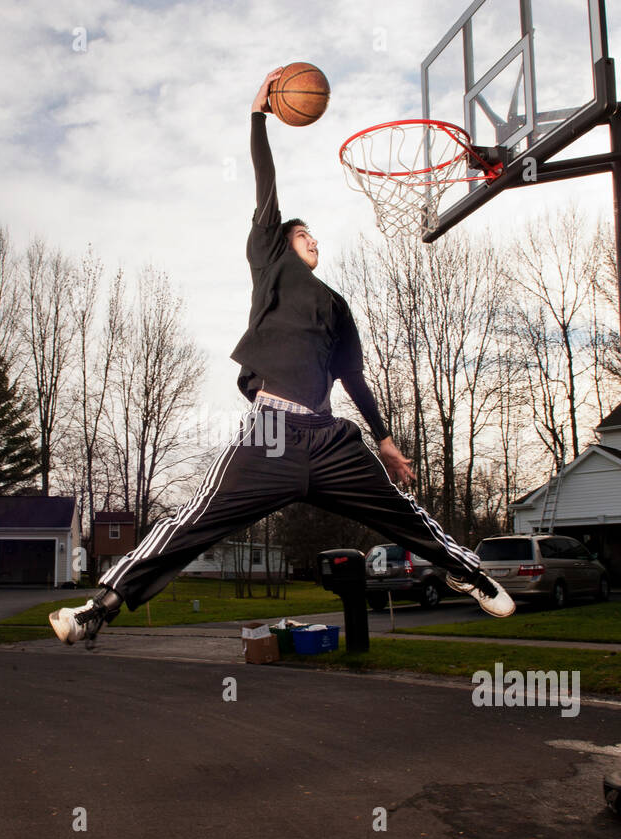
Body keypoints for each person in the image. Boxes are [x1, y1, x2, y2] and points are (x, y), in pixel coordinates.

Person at [51, 68, 513, 646]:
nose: (312, 239)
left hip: (329, 438)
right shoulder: (272, 261)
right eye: (303, 233)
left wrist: (387, 439)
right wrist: (257, 116)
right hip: (271, 432)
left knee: (401, 511)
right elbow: (265, 183)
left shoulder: (337, 307)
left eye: (315, 235)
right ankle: (98, 608)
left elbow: (354, 378)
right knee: (195, 522)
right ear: (281, 241)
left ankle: (470, 574)